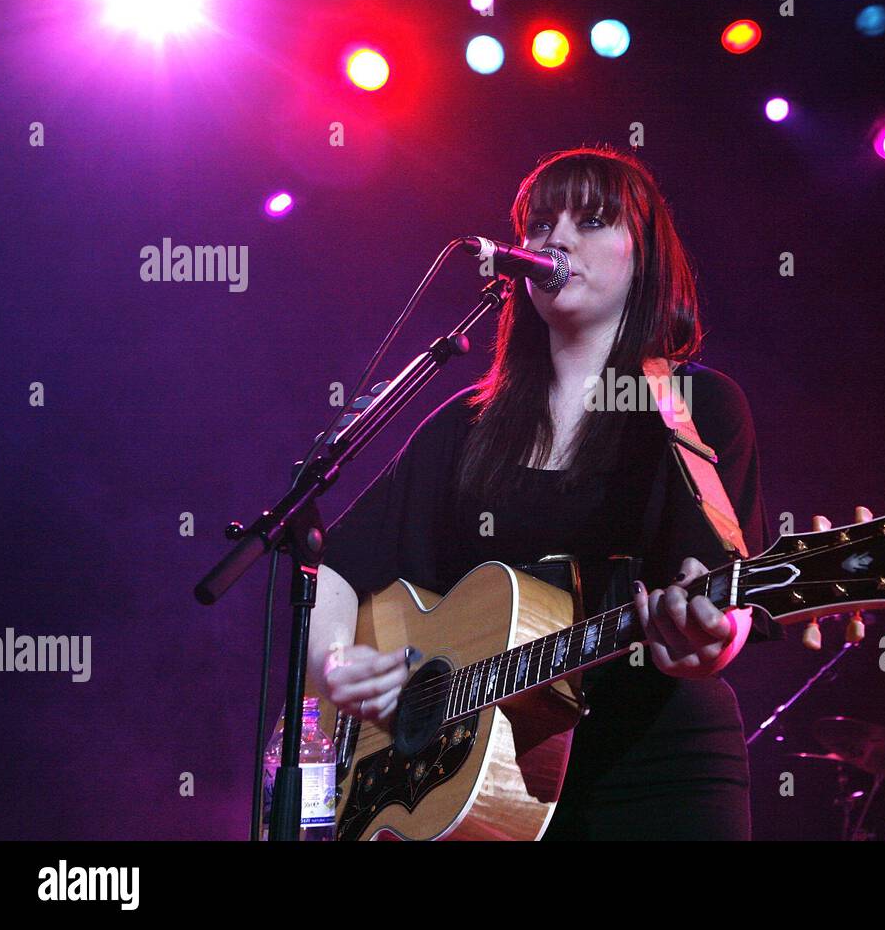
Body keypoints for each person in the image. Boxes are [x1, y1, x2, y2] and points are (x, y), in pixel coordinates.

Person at [304, 144, 777, 839]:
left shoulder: (696, 405)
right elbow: (332, 568)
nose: (556, 238)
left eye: (592, 220)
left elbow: (722, 589)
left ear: (643, 255)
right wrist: (337, 664)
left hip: (657, 767)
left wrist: (711, 634)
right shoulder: (466, 426)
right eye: (539, 226)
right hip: (477, 788)